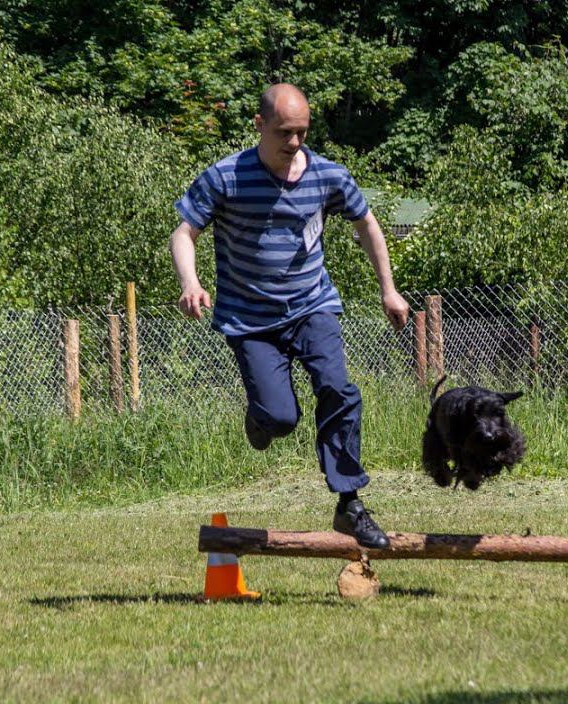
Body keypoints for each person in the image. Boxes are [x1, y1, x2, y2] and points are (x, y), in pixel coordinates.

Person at [169, 83, 411, 549]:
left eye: (302, 132)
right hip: (250, 318)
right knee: (280, 418)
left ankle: (350, 503)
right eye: (284, 132)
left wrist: (389, 289)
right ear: (260, 125)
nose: (294, 142)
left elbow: (367, 225)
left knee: (338, 388)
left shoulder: (327, 176)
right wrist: (190, 282)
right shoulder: (225, 178)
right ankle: (261, 418)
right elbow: (184, 233)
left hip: (312, 304)